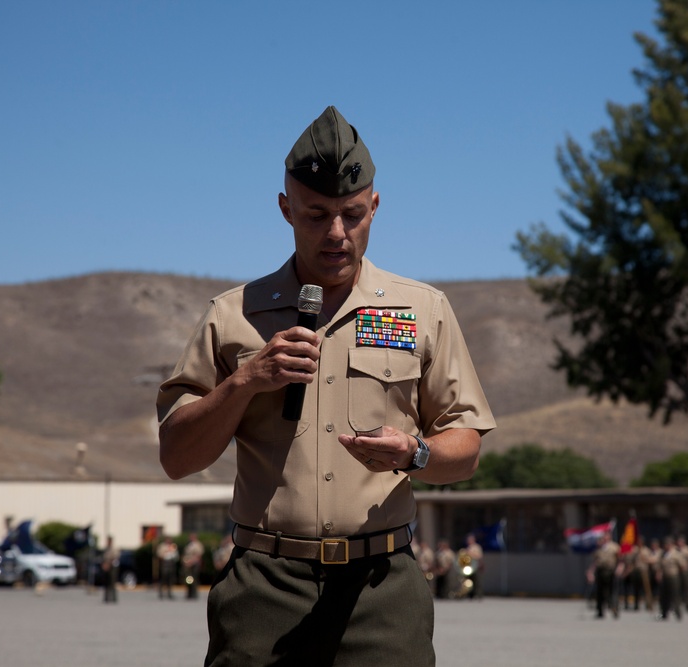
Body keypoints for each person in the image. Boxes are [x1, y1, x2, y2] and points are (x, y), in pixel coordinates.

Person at [157, 106, 496, 666]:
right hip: (265, 587)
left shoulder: (421, 310)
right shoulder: (232, 315)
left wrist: (413, 454)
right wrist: (246, 380)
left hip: (381, 592)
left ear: (375, 207)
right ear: (286, 208)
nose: (337, 233)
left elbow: (465, 452)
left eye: (352, 214)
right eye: (316, 214)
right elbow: (176, 457)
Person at [587, 532, 622, 619]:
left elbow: (620, 559)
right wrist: (590, 572)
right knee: (599, 592)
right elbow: (595, 562)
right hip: (600, 571)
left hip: (610, 571)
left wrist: (619, 568)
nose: (604, 538)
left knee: (612, 591)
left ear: (609, 537)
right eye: (603, 537)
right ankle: (600, 611)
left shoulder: (615, 547)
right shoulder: (599, 548)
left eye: (606, 536)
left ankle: (614, 609)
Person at [183, 533, 205, 600]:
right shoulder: (188, 545)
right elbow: (186, 555)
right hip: (188, 564)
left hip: (195, 564)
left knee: (194, 579)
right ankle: (189, 593)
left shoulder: (198, 545)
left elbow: (198, 556)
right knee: (188, 579)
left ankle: (194, 593)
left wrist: (191, 562)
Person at [101, 536, 118, 604]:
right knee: (106, 583)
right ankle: (106, 598)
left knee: (112, 583)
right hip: (106, 567)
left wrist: (109, 564)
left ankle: (113, 598)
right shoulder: (106, 549)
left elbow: (115, 557)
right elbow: (104, 557)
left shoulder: (114, 549)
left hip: (112, 567)